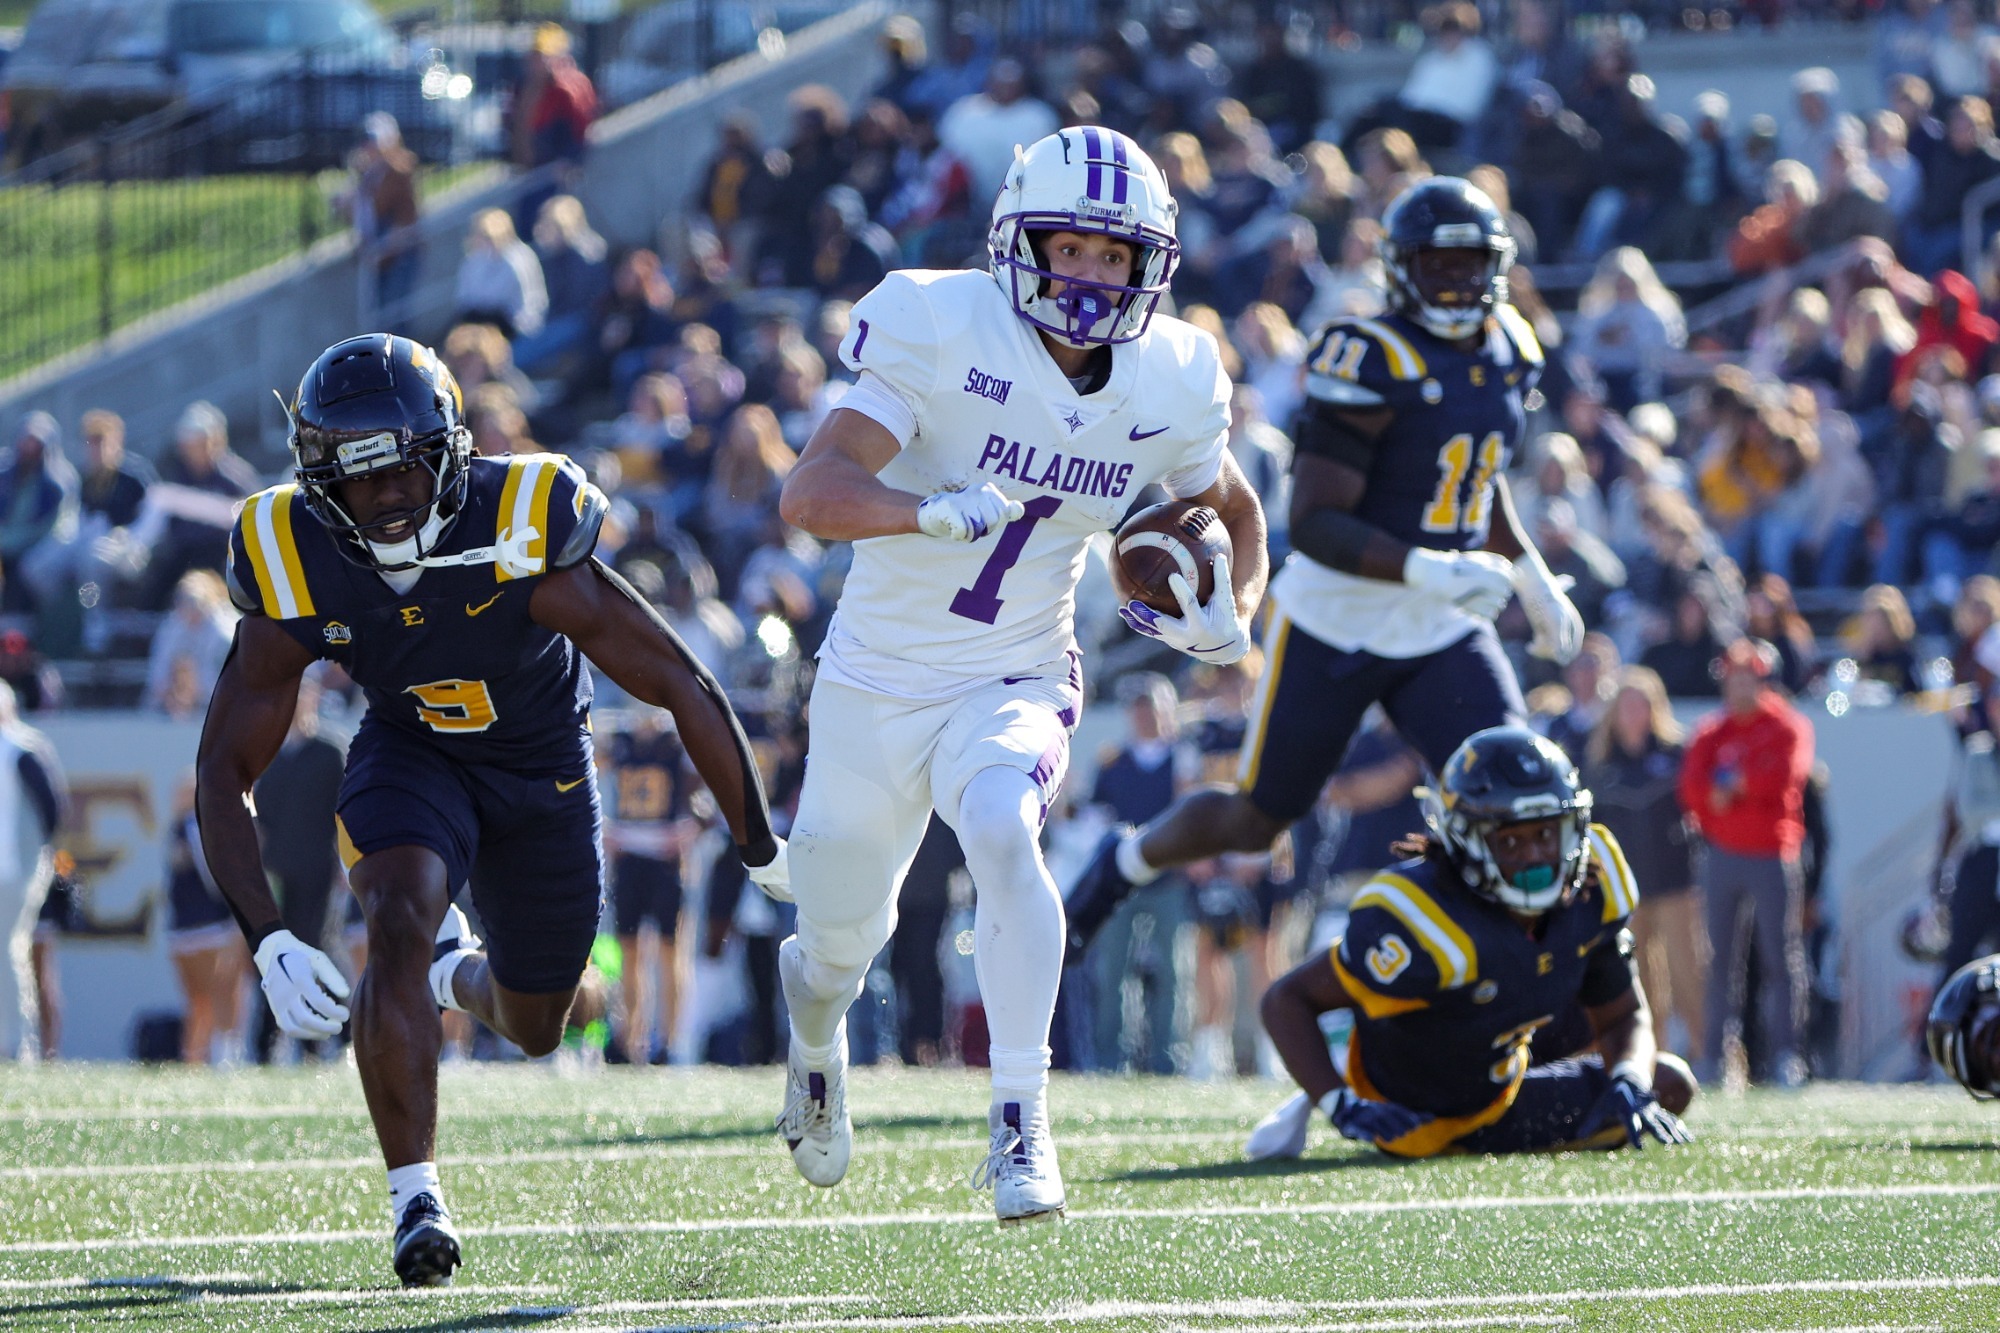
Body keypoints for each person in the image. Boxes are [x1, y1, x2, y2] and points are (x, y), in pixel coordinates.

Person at [196, 333, 786, 1285]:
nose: (387, 496)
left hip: (543, 776)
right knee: (392, 910)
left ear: (451, 453)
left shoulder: (522, 523)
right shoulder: (292, 556)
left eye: (407, 467)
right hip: (413, 751)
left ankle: (454, 976)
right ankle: (415, 1198)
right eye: (359, 477)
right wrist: (265, 933)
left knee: (539, 1020)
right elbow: (224, 765)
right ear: (319, 484)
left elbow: (679, 680)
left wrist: (759, 843)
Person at [771, 127, 1267, 1225]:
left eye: (1112, 257)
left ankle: (1018, 1123)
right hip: (873, 678)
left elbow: (1227, 505)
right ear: (1015, 242)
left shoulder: (1172, 375)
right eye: (1069, 249)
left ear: (1149, 266)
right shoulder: (939, 324)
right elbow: (808, 494)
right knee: (836, 942)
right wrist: (920, 509)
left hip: (1019, 666)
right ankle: (814, 1043)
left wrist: (1236, 612)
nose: (1089, 277)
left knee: (1001, 826)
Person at [1067, 178, 1583, 957]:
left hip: (1439, 625)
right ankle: (1124, 862)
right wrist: (1431, 569)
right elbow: (1315, 522)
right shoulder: (1367, 354)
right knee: (1259, 814)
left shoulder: (1509, 347)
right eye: (1441, 267)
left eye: (1473, 266)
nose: (1459, 284)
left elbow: (1475, 472)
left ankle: (1525, 980)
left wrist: (1532, 572)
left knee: (1515, 793)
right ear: (1402, 268)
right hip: (1338, 619)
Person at [1254, 727, 1694, 1159]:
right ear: (1465, 839)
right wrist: (1339, 1104)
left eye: (1545, 833)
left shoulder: (1592, 888)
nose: (1533, 856)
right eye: (1510, 840)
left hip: (1502, 1077)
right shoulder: (1419, 915)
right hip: (1416, 1117)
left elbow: (1624, 1016)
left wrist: (1630, 1079)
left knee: (1664, 1083)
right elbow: (1286, 1000)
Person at [1679, 638, 1815, 1088]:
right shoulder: (1710, 730)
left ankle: (1786, 1056)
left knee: (1781, 959)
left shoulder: (1786, 725)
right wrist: (1734, 788)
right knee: (1719, 962)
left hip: (1773, 853)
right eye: (1733, 677)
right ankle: (1715, 1059)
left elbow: (1782, 779)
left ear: (1762, 680)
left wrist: (1735, 785)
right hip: (1721, 853)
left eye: (1747, 677)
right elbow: (1692, 789)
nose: (1739, 686)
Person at [1585, 666, 1703, 1064]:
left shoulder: (1677, 755)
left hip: (1675, 884)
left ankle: (1714, 1060)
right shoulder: (1599, 766)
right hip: (1625, 893)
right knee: (1641, 983)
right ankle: (1652, 1063)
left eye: (1642, 704)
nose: (1634, 713)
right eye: (1627, 705)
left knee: (1690, 975)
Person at [249, 673, 347, 1064]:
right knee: (274, 955)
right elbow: (260, 822)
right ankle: (266, 1044)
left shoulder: (328, 754)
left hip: (318, 871)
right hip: (277, 875)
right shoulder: (268, 755)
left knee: (314, 948)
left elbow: (345, 815)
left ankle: (324, 1039)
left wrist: (346, 864)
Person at [603, 707, 698, 1065]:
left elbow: (705, 794)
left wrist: (691, 827)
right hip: (629, 860)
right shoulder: (620, 741)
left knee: (668, 950)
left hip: (664, 861)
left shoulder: (676, 746)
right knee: (629, 952)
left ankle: (670, 1042)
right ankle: (631, 1039)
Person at [0, 679, 65, 1063]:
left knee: (9, 951)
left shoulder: (19, 748)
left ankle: (17, 1045)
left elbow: (52, 809)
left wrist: (38, 860)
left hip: (14, 870)